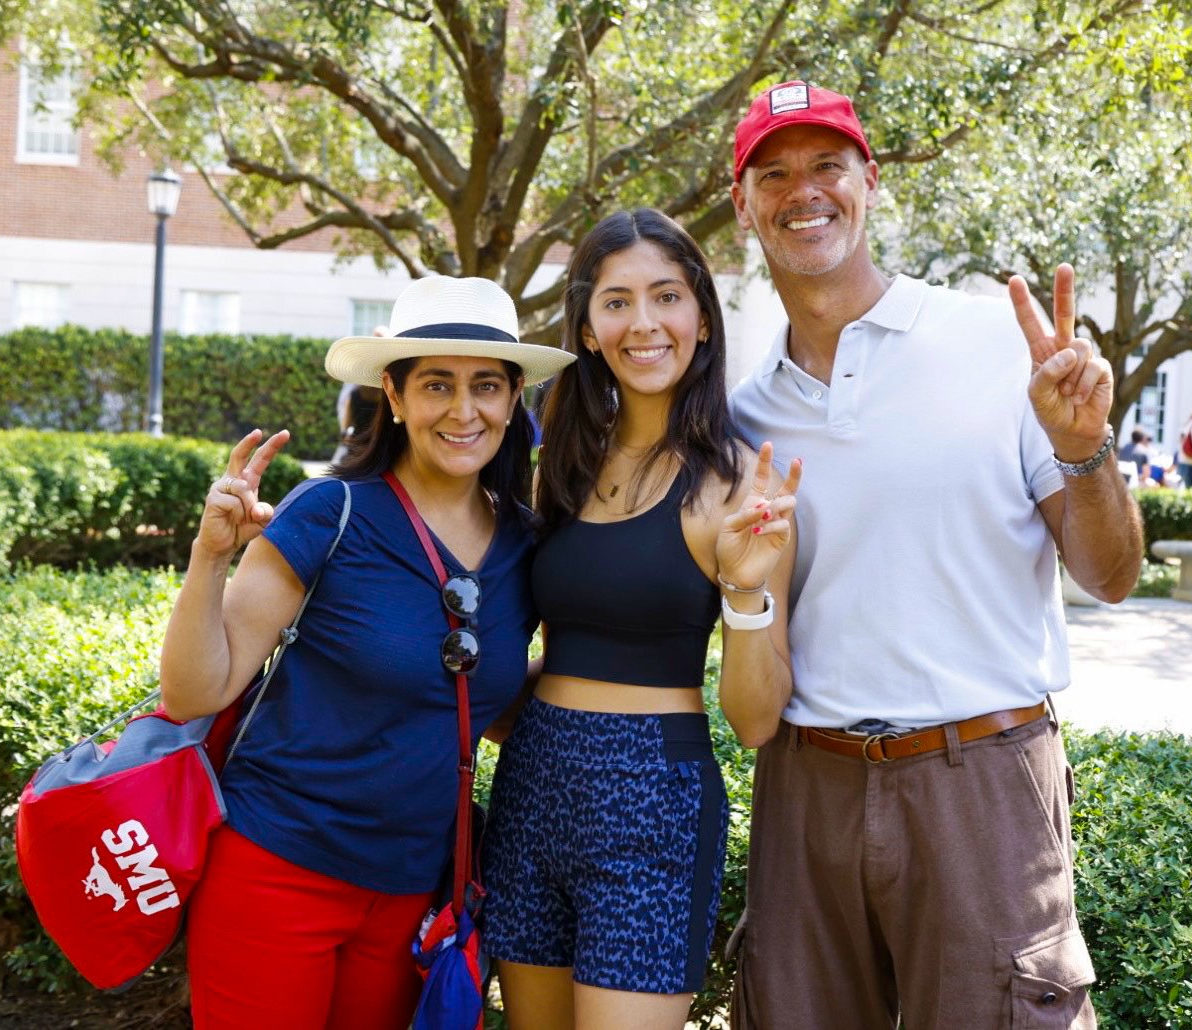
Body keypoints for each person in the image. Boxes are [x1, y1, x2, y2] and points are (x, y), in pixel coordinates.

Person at [725, 82, 1144, 1029]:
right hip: (806, 784)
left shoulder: (998, 347)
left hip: (983, 780)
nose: (806, 191)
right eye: (774, 172)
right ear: (742, 205)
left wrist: (1083, 449)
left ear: (869, 181)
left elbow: (1110, 574)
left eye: (828, 164)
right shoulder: (746, 414)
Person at [159, 276, 574, 1028]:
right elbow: (195, 692)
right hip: (276, 873)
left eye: (486, 385)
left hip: (413, 895)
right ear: (394, 393)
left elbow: (489, 704)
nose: (463, 409)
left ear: (514, 401)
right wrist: (208, 558)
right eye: (437, 385)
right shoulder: (331, 512)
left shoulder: (527, 543)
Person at [480, 208, 801, 1030]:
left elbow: (756, 718)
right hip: (534, 780)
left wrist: (743, 590)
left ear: (700, 316)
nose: (644, 323)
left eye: (667, 296)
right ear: (587, 328)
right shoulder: (556, 465)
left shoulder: (740, 487)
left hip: (654, 795)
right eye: (617, 302)